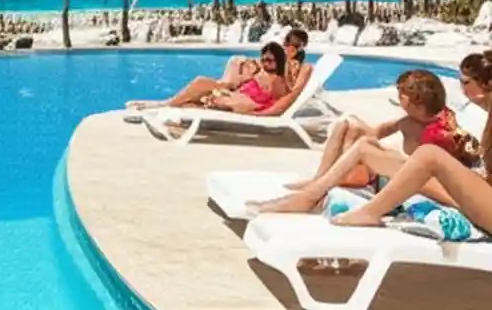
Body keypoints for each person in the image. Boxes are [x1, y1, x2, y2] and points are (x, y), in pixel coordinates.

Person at [251, 56, 490, 218]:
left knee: (407, 152)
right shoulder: (419, 122)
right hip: (470, 189)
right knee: (358, 135)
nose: (461, 89)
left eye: (465, 82)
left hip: (468, 197)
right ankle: (313, 190)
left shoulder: (439, 132)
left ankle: (323, 198)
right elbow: (378, 132)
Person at [278, 68, 477, 194]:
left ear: (413, 99)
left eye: (401, 95)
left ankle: (322, 184)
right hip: (384, 171)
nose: (398, 98)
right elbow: (378, 130)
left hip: (391, 179)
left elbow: (429, 174)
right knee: (348, 123)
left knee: (362, 142)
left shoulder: (436, 134)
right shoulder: (410, 121)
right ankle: (318, 179)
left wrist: (372, 152)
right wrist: (353, 136)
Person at [127, 29, 312, 114]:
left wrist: (267, 113)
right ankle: (164, 105)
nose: (284, 48)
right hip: (246, 93)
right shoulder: (280, 63)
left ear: (296, 49)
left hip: (254, 100)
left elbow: (293, 93)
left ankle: (164, 106)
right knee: (195, 99)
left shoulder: (303, 68)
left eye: (287, 45)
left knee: (200, 85)